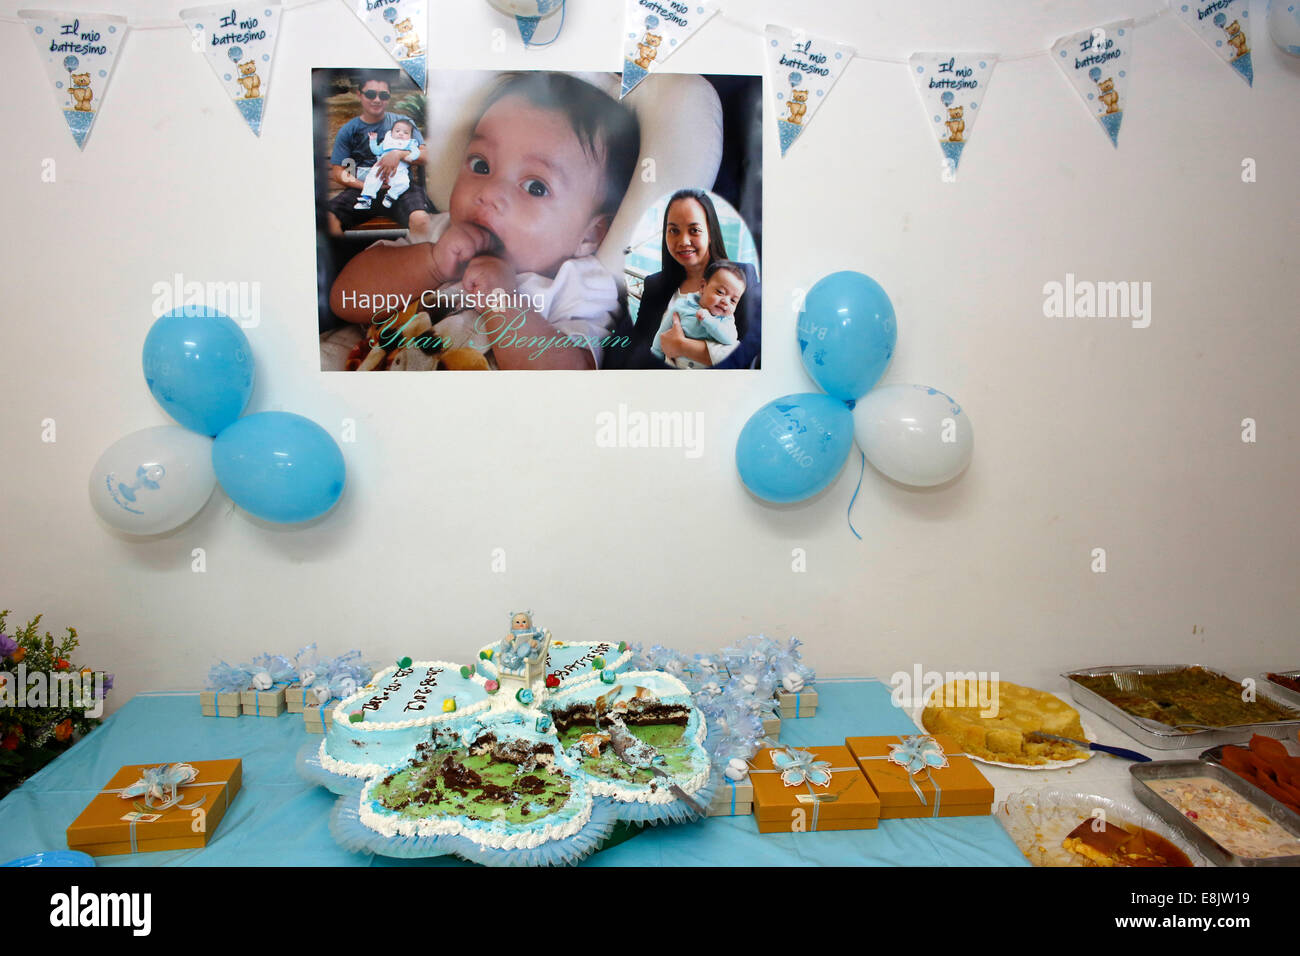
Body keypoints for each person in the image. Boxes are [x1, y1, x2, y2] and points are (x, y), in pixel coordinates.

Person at [330, 72, 640, 370]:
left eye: (535, 187)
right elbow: (345, 300)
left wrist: (502, 302)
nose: (489, 193)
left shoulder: (579, 286)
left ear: (590, 235)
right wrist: (432, 264)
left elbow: (569, 385)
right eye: (481, 165)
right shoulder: (439, 233)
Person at [609, 189, 761, 370]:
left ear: (711, 233)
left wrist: (682, 347)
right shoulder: (655, 285)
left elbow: (750, 354)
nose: (683, 241)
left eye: (694, 230)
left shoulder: (740, 279)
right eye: (674, 230)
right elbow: (639, 349)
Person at [326, 74, 433, 240]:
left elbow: (426, 156)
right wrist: (365, 185)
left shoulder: (403, 124)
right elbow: (338, 172)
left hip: (401, 188)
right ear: (359, 94)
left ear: (388, 97)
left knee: (422, 221)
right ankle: (347, 262)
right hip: (364, 189)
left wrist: (398, 154)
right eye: (370, 94)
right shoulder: (349, 130)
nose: (377, 99)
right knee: (328, 219)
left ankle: (418, 263)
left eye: (383, 95)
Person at [650, 260, 745, 368]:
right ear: (703, 287)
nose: (726, 302)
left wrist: (708, 320)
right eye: (720, 292)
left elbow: (730, 339)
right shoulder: (681, 306)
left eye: (733, 300)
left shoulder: (727, 319)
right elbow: (662, 334)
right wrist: (655, 357)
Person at [354, 119, 421, 211]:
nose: (401, 134)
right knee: (372, 179)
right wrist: (373, 141)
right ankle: (366, 199)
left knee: (404, 183)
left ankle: (391, 196)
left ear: (410, 136)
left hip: (399, 171)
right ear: (391, 132)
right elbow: (376, 151)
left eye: (406, 133)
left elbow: (417, 152)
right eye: (397, 131)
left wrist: (411, 156)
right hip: (381, 167)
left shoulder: (410, 143)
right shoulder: (387, 142)